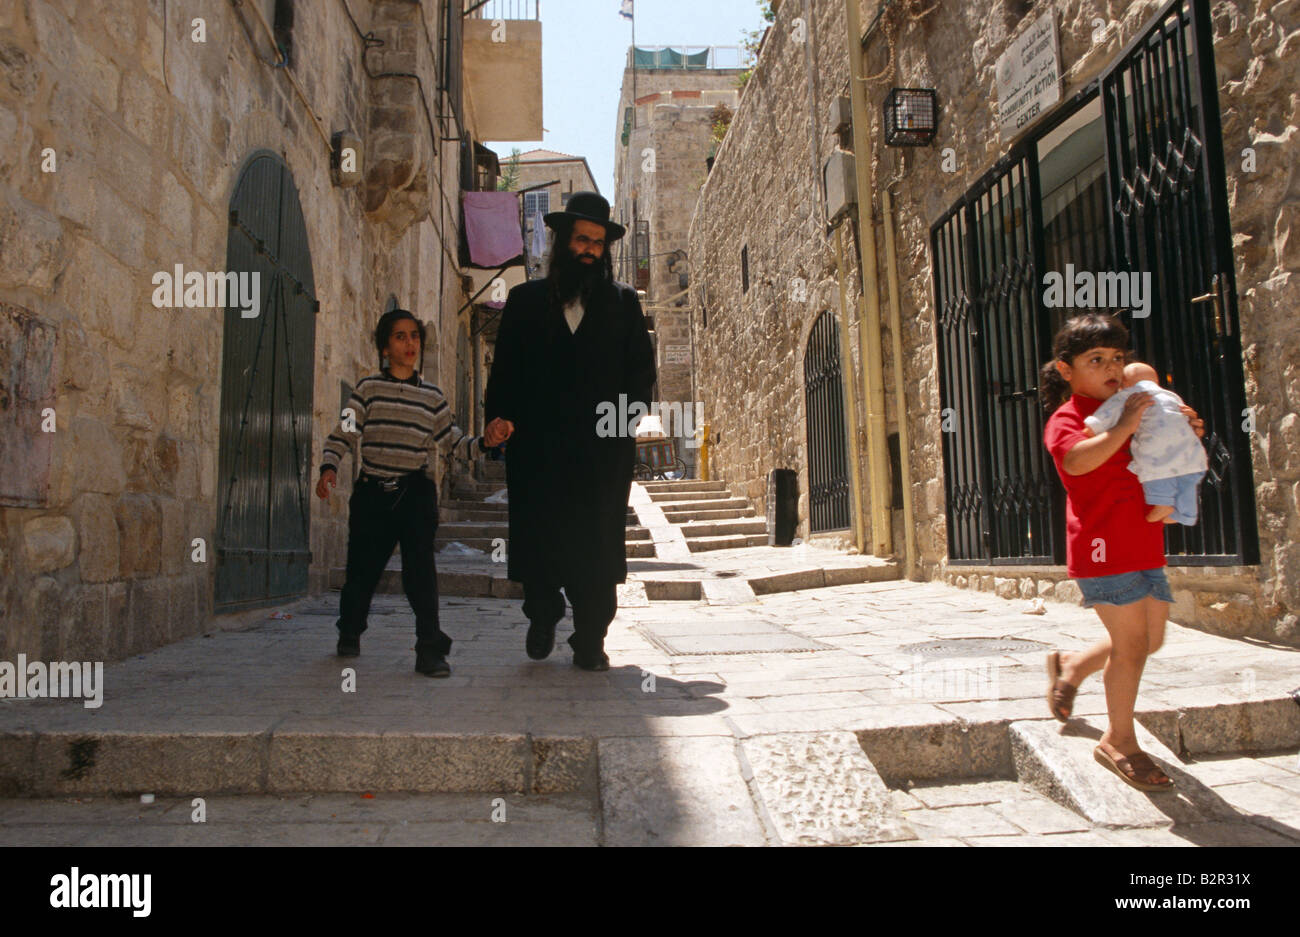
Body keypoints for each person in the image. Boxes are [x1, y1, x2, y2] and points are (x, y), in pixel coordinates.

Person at [480, 192, 657, 671]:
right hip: (537, 452)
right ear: (563, 241)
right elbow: (505, 374)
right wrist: (497, 418)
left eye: (598, 243)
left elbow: (641, 376)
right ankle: (543, 614)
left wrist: (619, 429)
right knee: (539, 539)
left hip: (601, 457)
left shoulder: (623, 304)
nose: (590, 250)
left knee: (597, 545)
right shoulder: (524, 301)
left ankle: (590, 638)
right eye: (582, 239)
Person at [1039, 313, 1205, 791]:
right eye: (1096, 360)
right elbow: (1076, 459)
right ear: (1067, 370)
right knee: (1132, 646)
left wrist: (1182, 430)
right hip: (1102, 547)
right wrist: (1125, 427)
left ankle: (1072, 667)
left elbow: (1166, 453)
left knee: (1150, 641)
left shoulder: (1134, 405)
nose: (1112, 368)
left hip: (1144, 540)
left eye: (1117, 358)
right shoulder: (1069, 419)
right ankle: (1119, 740)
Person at [315, 308, 511, 677]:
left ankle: (429, 650)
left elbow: (453, 442)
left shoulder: (433, 397)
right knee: (362, 572)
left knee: (420, 572)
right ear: (385, 348)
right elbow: (343, 432)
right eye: (400, 336)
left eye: (415, 336)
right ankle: (350, 630)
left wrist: (485, 441)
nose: (410, 344)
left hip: (415, 494)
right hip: (373, 494)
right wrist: (329, 466)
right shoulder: (368, 389)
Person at [1081, 361, 1208, 525]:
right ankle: (1187, 514)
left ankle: (1162, 504)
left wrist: (1093, 426)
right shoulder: (1171, 396)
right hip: (1191, 456)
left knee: (1155, 473)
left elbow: (1108, 411)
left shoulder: (1132, 394)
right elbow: (1181, 417)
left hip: (1158, 455)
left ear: (1125, 384)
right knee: (1187, 484)